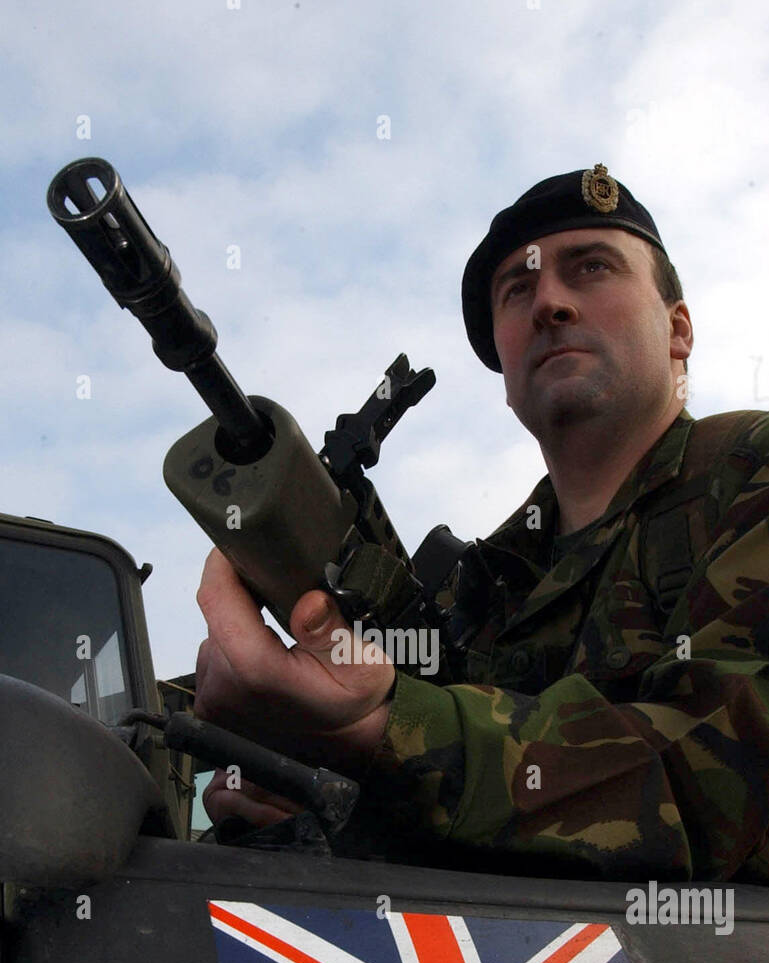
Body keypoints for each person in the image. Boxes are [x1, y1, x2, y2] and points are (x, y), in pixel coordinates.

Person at [195, 163, 769, 882]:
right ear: (502, 367)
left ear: (677, 328)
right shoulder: (481, 586)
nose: (549, 305)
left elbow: (720, 775)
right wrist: (302, 782)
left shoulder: (748, 476)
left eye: (590, 269)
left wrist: (384, 728)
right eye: (517, 291)